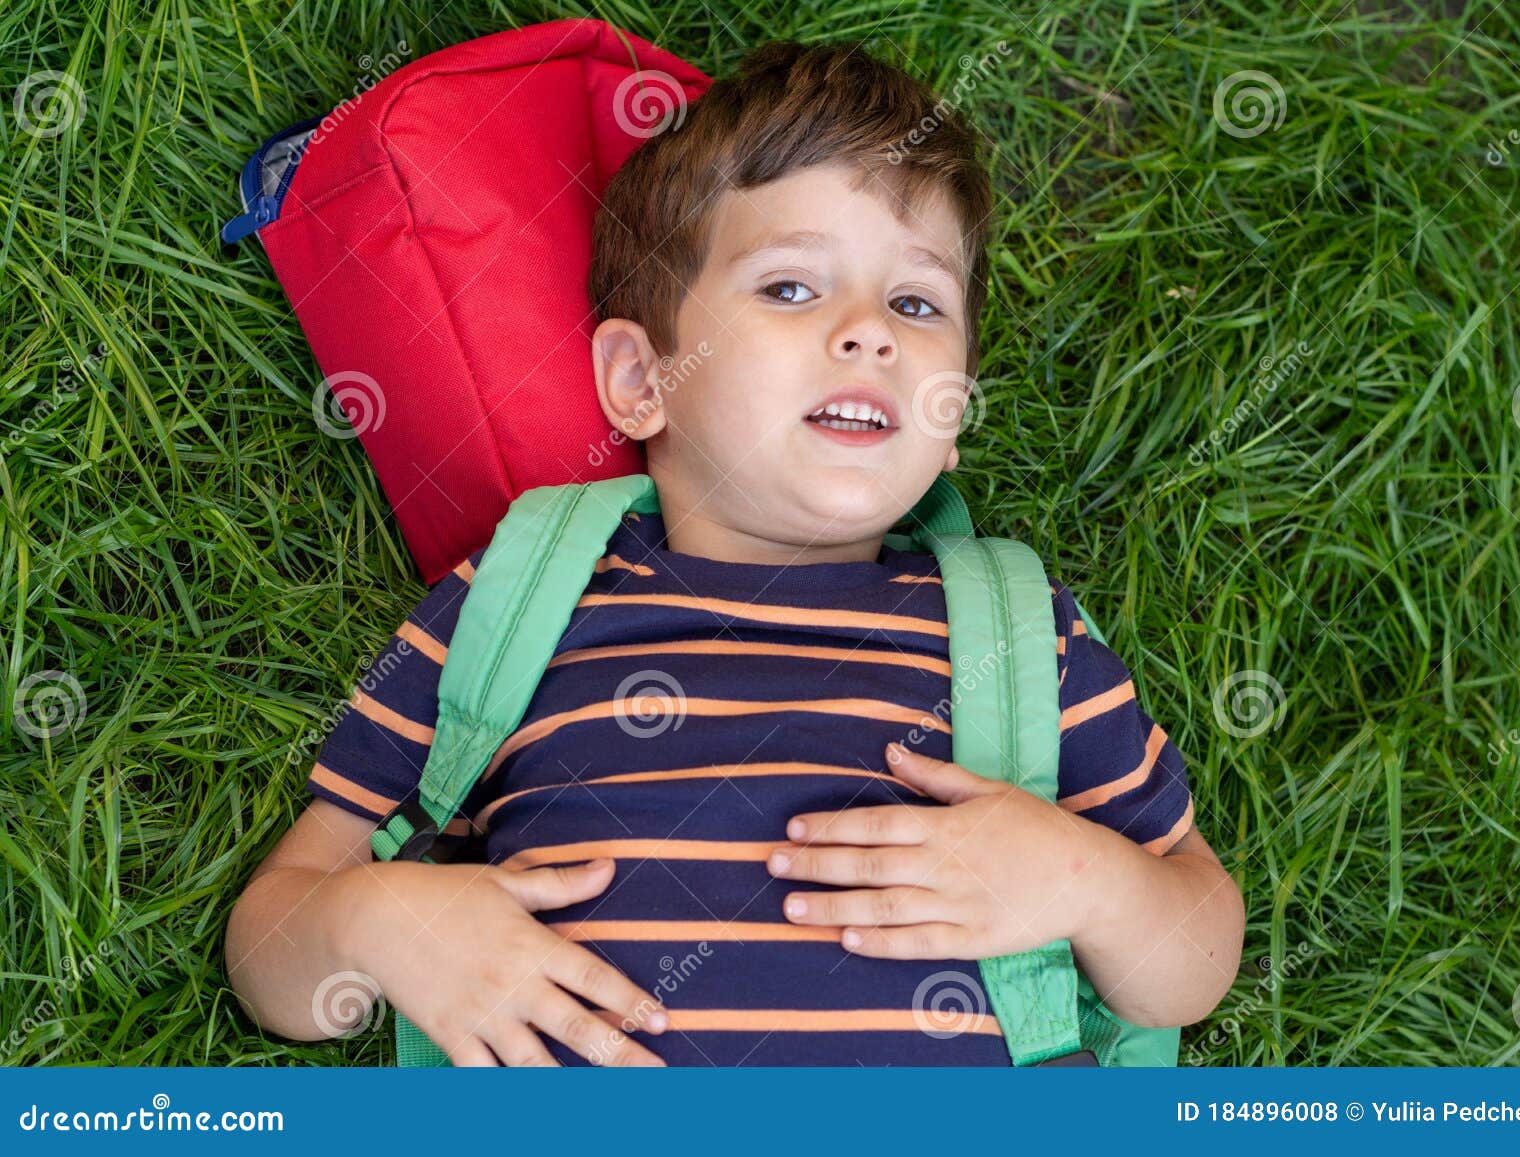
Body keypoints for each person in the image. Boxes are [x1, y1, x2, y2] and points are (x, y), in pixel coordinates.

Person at [225, 38, 1244, 1067]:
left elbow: (1193, 954)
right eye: (792, 289)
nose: (868, 335)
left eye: (916, 302)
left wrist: (1086, 883)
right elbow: (274, 949)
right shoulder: (519, 604)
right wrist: (384, 924)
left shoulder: (1021, 636)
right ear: (639, 378)